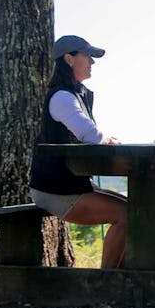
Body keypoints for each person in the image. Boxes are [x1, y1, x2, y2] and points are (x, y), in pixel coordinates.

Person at [29, 34, 129, 268]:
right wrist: (108, 140)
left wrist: (106, 140)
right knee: (127, 214)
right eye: (88, 56)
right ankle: (107, 280)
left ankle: (123, 274)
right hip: (56, 190)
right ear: (69, 59)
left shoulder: (73, 94)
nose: (92, 62)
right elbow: (91, 135)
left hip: (68, 185)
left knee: (137, 209)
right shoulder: (62, 97)